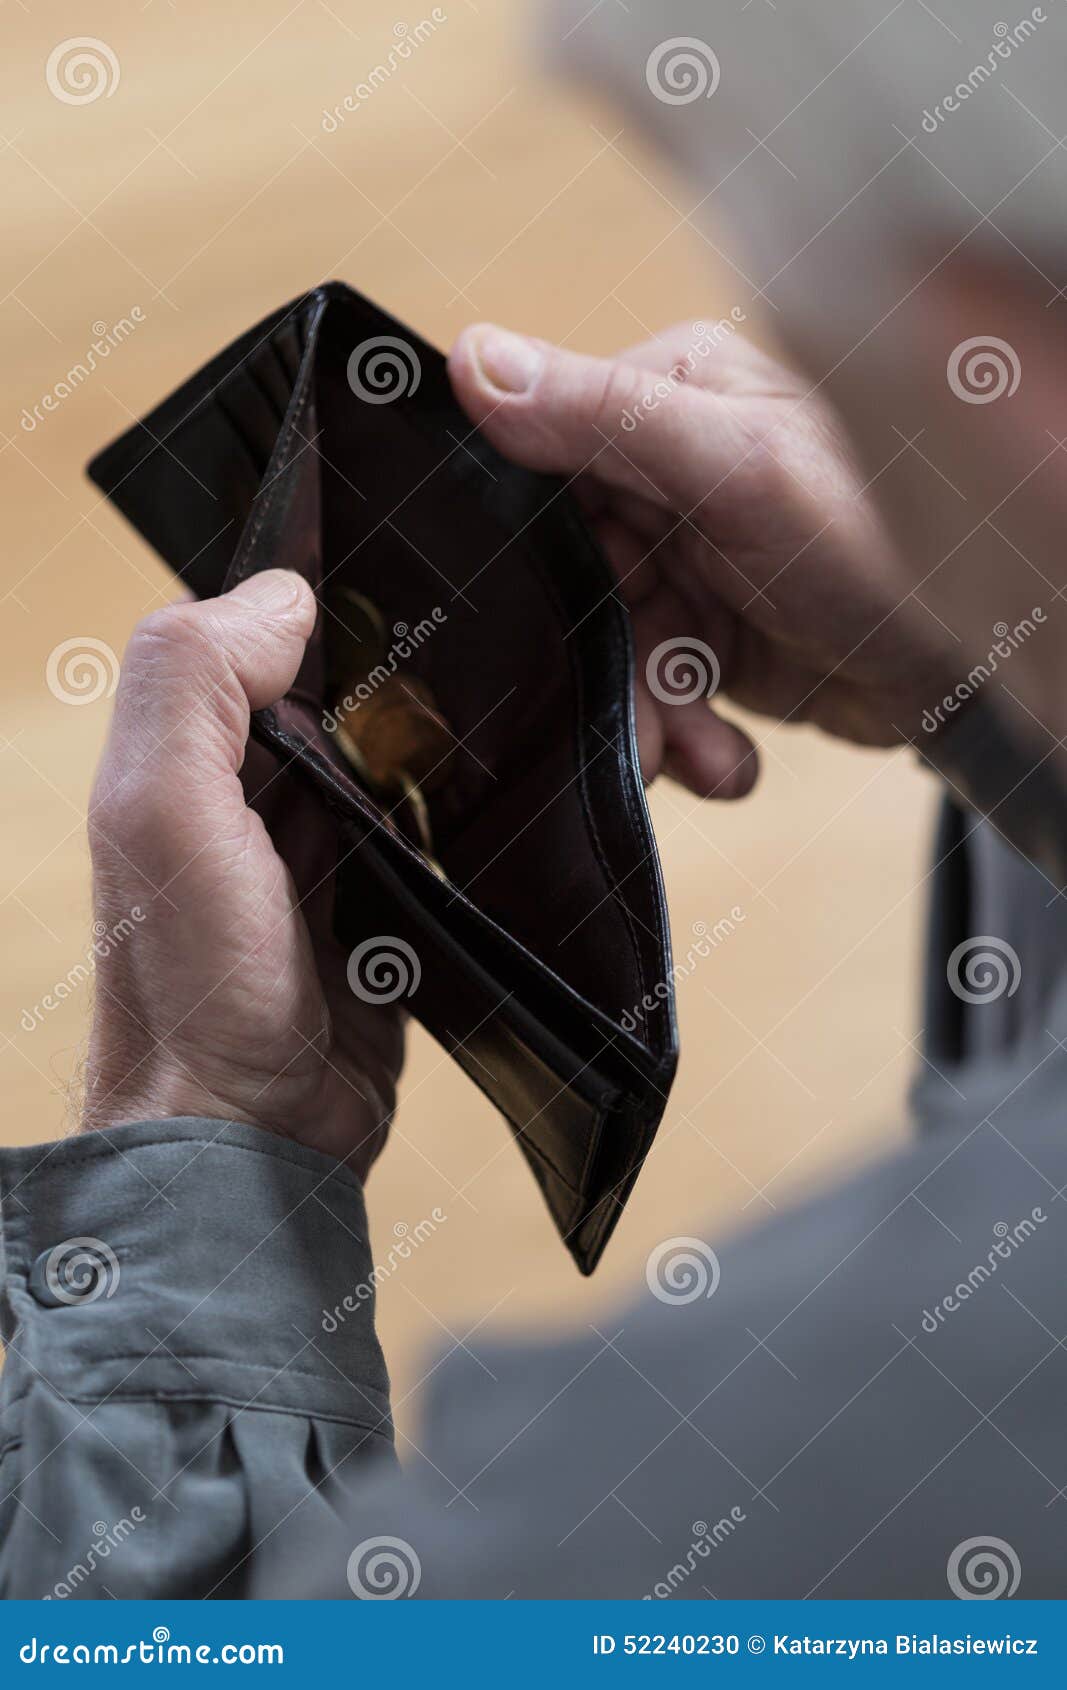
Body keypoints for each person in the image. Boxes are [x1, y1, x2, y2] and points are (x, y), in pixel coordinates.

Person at [3, 0, 1067, 1599]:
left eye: (831, 366)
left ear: (1018, 385)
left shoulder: (705, 1501)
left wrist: (202, 1143)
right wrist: (1008, 684)